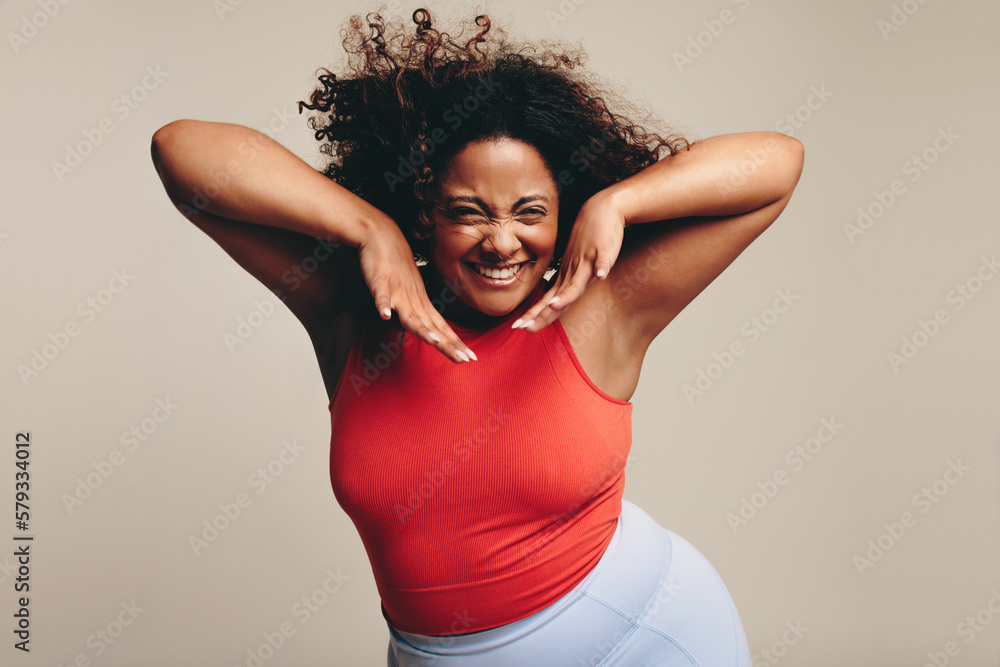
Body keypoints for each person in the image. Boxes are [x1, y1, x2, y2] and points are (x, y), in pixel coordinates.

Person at [150, 7, 803, 665]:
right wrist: (369, 229)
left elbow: (778, 162)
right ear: (424, 215)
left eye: (530, 212)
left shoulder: (603, 306)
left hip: (641, 638)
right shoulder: (354, 310)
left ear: (563, 216)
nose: (501, 240)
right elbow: (180, 152)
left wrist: (619, 202)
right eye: (468, 212)